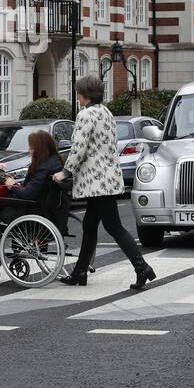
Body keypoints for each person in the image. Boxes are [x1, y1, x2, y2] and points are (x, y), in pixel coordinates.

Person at [55, 75, 157, 290]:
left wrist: (65, 172)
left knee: (114, 227)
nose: (77, 96)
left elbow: (79, 148)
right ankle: (80, 272)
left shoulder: (85, 115)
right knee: (89, 225)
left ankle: (142, 268)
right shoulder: (106, 112)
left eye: (78, 93)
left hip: (96, 181)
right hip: (108, 177)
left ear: (84, 95)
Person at [0, 130, 65, 268]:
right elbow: (36, 188)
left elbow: (28, 194)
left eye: (31, 147)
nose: (29, 150)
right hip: (45, 208)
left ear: (39, 148)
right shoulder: (54, 162)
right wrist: (18, 185)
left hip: (32, 210)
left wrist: (12, 186)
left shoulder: (43, 166)